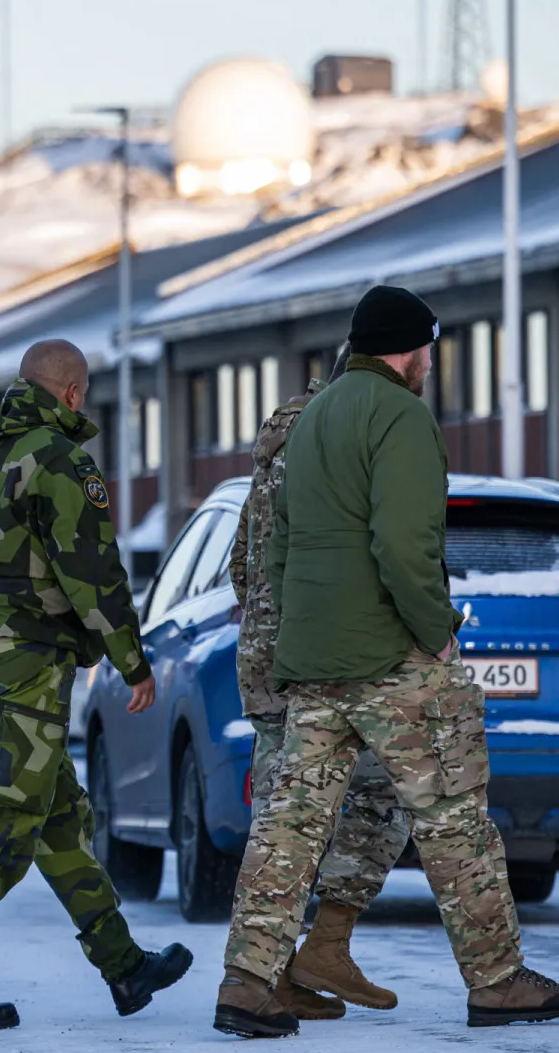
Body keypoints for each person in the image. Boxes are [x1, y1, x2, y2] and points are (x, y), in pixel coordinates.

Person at [214, 286, 559, 1039]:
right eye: (428, 350)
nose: (428, 364)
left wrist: (294, 642)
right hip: (390, 657)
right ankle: (498, 981)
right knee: (453, 818)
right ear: (413, 350)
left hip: (313, 659)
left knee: (287, 827)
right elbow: (404, 545)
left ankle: (248, 983)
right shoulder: (402, 416)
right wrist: (438, 630)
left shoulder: (310, 417)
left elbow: (277, 548)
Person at [0, 339, 192, 1031]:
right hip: (30, 658)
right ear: (70, 393)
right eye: (84, 393)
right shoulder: (60, 461)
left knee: (60, 819)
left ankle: (123, 967)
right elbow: (92, 571)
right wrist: (133, 660)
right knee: (1, 809)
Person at [227, 344, 409, 1022]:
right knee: (358, 803)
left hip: (273, 663)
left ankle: (296, 962)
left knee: (289, 817)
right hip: (326, 662)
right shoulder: (345, 441)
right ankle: (273, 972)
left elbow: (241, 567)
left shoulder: (276, 447)